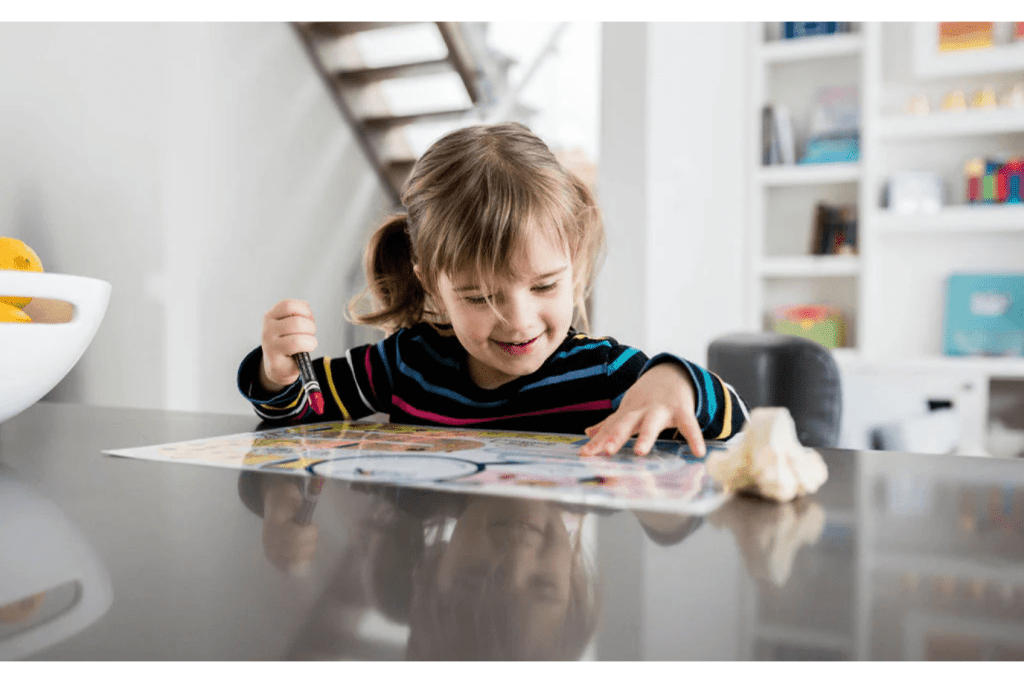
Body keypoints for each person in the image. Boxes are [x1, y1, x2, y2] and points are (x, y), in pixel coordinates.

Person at [237, 122, 748, 457]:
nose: (519, 320)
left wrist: (671, 382)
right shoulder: (407, 362)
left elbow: (733, 419)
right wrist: (277, 373)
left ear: (574, 264)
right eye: (480, 297)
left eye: (544, 285)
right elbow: (305, 410)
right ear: (431, 286)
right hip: (453, 576)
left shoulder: (607, 375)